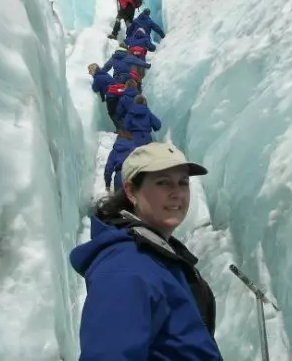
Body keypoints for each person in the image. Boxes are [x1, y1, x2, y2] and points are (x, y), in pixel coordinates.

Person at [70, 142, 223, 360]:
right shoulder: (126, 268)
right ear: (132, 191)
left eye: (183, 183)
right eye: (163, 183)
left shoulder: (155, 254)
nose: (177, 193)